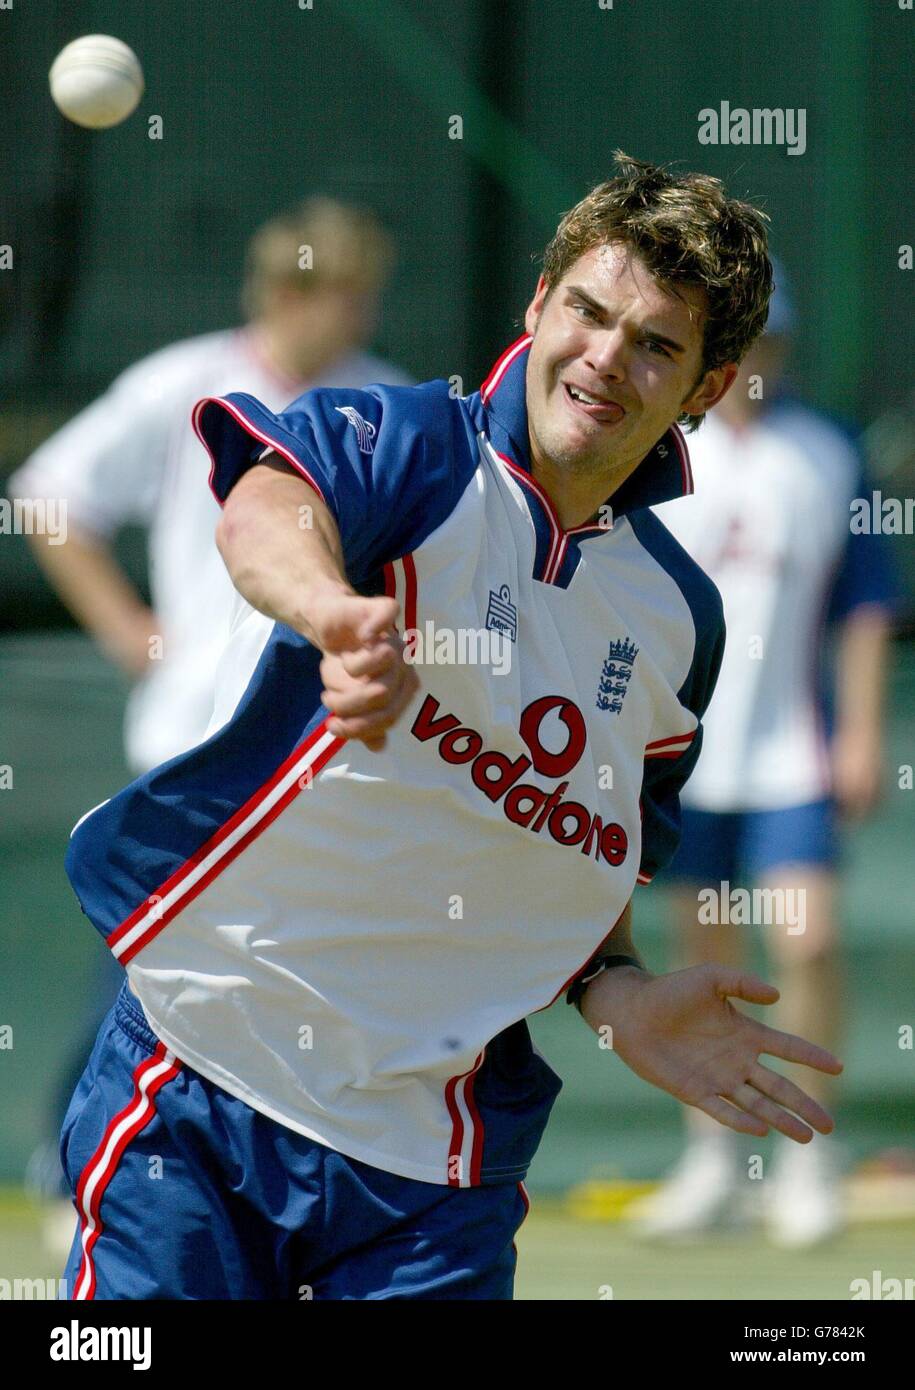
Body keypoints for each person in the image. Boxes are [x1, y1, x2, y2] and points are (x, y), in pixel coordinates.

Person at [58, 152, 842, 1302]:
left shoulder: (681, 622)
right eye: (586, 311)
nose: (604, 359)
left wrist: (616, 990)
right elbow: (265, 507)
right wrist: (333, 613)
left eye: (656, 345)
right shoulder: (412, 447)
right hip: (200, 1082)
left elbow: (585, 850)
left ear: (709, 387)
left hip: (436, 1171)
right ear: (539, 304)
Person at [627, 271, 898, 1248]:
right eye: (744, 345)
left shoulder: (826, 456)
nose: (758, 366)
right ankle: (713, 1160)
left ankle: (805, 1158)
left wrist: (861, 731)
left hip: (794, 756)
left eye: (773, 345)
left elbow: (864, 604)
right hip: (686, 760)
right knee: (707, 962)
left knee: (808, 941)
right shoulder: (663, 452)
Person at [9, 196, 412, 774]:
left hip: (331, 748)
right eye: (348, 297)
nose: (365, 318)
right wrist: (127, 631)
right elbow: (48, 493)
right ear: (286, 293)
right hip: (188, 735)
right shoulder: (181, 382)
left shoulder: (387, 402)